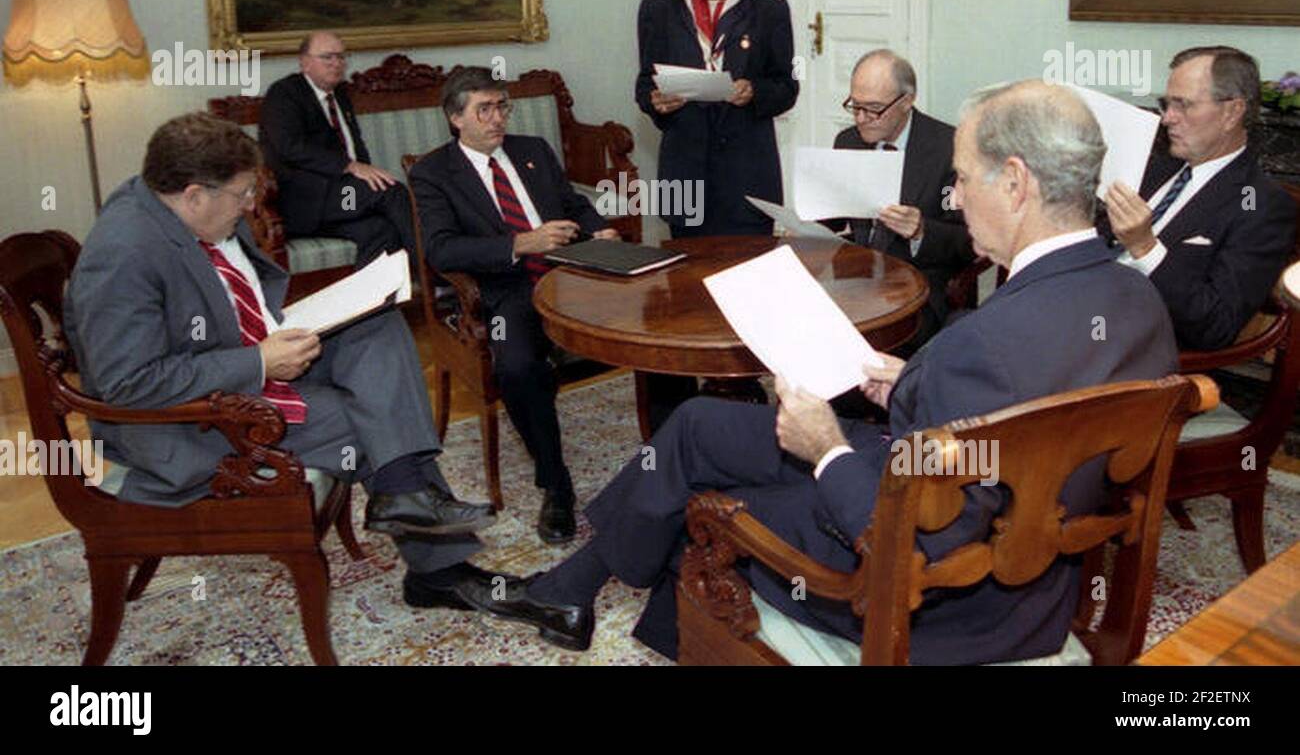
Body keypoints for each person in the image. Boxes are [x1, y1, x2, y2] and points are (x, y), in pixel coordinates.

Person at [441, 81, 1179, 662]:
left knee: (707, 498)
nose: (954, 198)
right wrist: (912, 380)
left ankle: (669, 625)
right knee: (696, 423)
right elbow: (1001, 433)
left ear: (1015, 182)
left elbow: (909, 540)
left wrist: (827, 445)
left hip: (949, 600)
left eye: (960, 180)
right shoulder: (1138, 297)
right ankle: (572, 589)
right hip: (1011, 542)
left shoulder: (982, 345)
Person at [63, 113, 526, 613]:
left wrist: (282, 335)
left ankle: (402, 497)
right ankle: (436, 562)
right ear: (194, 193)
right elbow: (128, 384)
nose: (249, 207)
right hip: (186, 423)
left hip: (241, 351)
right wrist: (257, 361)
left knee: (378, 327)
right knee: (367, 412)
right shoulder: (122, 255)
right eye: (241, 195)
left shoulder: (171, 203)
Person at [409, 69, 617, 546]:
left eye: (502, 106)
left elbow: (572, 205)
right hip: (508, 289)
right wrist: (522, 243)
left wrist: (599, 227)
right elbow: (442, 250)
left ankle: (668, 450)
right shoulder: (433, 173)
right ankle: (555, 484)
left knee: (651, 322)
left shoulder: (533, 151)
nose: (497, 118)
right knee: (519, 366)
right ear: (455, 117)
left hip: (572, 274)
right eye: (484, 109)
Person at [1104, 45, 1295, 350]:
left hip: (1131, 351)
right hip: (1076, 311)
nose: (1167, 118)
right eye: (1167, 104)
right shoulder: (1152, 168)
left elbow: (1216, 326)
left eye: (1183, 105)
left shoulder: (1261, 204)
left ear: (1232, 112)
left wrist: (1145, 247)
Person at [635, 0, 798, 238]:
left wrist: (755, 91)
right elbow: (643, 84)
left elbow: (786, 87)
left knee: (751, 281)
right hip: (684, 173)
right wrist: (656, 102)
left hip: (749, 174)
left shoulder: (770, 9)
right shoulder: (657, 10)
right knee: (687, 283)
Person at [831, 49, 973, 344]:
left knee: (854, 344)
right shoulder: (848, 142)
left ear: (907, 101)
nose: (861, 119)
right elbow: (837, 216)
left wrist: (921, 231)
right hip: (856, 281)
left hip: (917, 287)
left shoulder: (950, 149)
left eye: (873, 109)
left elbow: (967, 240)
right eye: (855, 106)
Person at [259, 31, 416, 267]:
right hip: (310, 204)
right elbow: (289, 147)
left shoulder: (339, 93)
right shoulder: (284, 94)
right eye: (327, 57)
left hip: (343, 204)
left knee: (379, 230)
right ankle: (433, 272)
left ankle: (380, 303)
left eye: (341, 57)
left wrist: (365, 172)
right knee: (390, 192)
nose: (337, 63)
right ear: (304, 62)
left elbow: (354, 145)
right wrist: (351, 167)